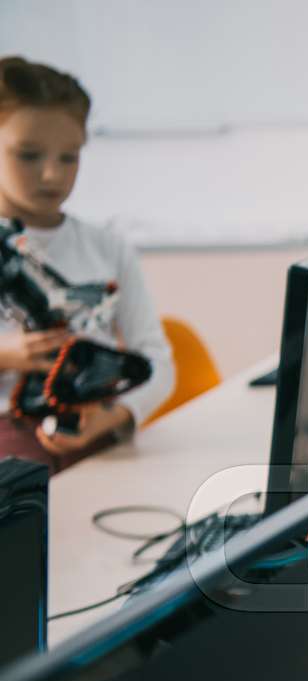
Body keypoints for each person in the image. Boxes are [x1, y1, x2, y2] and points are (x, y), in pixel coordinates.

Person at [0, 56, 173, 472]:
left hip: (98, 438)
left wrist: (112, 418)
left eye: (69, 157)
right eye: (28, 155)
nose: (51, 175)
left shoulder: (108, 247)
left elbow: (157, 361)